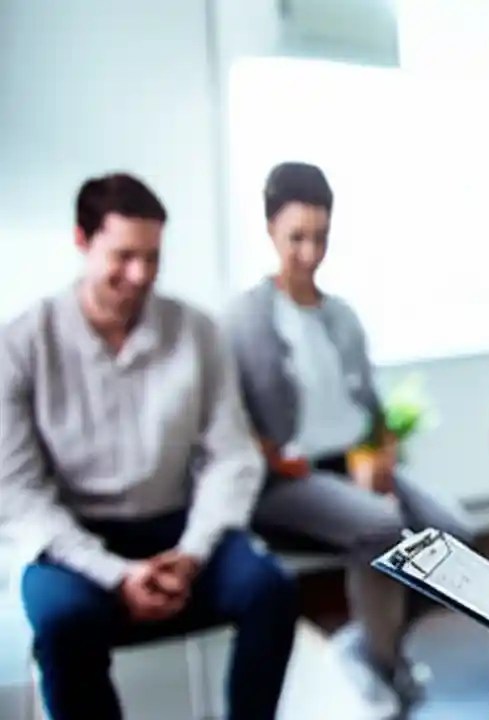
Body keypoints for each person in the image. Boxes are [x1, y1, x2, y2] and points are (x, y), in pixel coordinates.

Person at [0, 174, 297, 720]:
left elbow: (231, 456)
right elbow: (16, 491)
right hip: (74, 542)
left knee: (271, 590)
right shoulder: (21, 343)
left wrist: (191, 553)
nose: (139, 275)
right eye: (123, 256)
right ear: (81, 241)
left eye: (153, 258)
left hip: (178, 532)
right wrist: (117, 575)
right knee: (62, 623)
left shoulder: (197, 332)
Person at [225, 162, 473, 718]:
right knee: (382, 527)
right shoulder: (243, 319)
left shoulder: (342, 316)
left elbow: (372, 413)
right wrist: (297, 468)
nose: (310, 253)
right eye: (297, 238)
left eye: (321, 237)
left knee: (455, 534)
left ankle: (368, 645)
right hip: (287, 479)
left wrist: (379, 459)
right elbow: (231, 429)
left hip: (353, 465)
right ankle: (383, 668)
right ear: (270, 231)